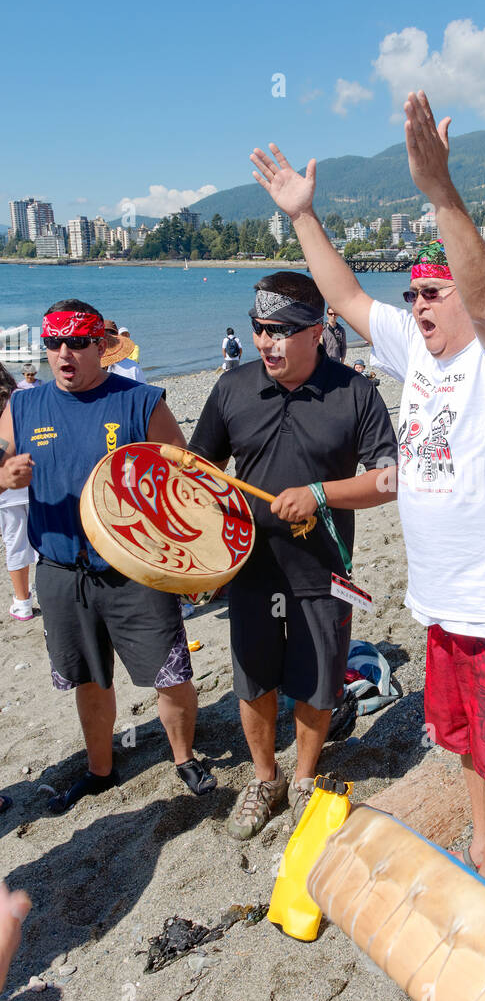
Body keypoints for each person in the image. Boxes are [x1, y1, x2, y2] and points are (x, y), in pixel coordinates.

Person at [250, 93, 485, 891]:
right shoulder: (416, 353)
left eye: (434, 292)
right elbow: (349, 297)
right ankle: (484, 850)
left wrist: (440, 192)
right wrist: (303, 218)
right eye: (415, 294)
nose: (419, 304)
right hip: (444, 597)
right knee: (464, 741)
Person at [189, 272, 397, 839]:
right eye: (259, 330)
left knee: (318, 678)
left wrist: (320, 493)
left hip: (324, 568)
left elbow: (388, 480)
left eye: (280, 331)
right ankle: (265, 777)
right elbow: (197, 471)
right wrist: (194, 555)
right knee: (254, 679)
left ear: (317, 330)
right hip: (249, 568)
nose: (265, 343)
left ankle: (304, 775)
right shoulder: (232, 390)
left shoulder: (356, 392)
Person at [0, 298, 211, 812]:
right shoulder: (23, 407)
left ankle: (184, 757)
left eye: (76, 341)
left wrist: (197, 562)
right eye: (53, 343)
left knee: (170, 672)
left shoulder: (141, 401)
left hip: (134, 568)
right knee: (90, 677)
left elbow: (190, 480)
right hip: (61, 570)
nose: (63, 353)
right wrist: (4, 477)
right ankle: (101, 769)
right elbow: (0, 465)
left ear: (101, 344)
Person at [0, 363, 36, 620]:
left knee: (14, 542)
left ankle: (22, 601)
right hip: (31, 477)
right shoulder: (21, 401)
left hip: (5, 485)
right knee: (43, 539)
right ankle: (47, 592)